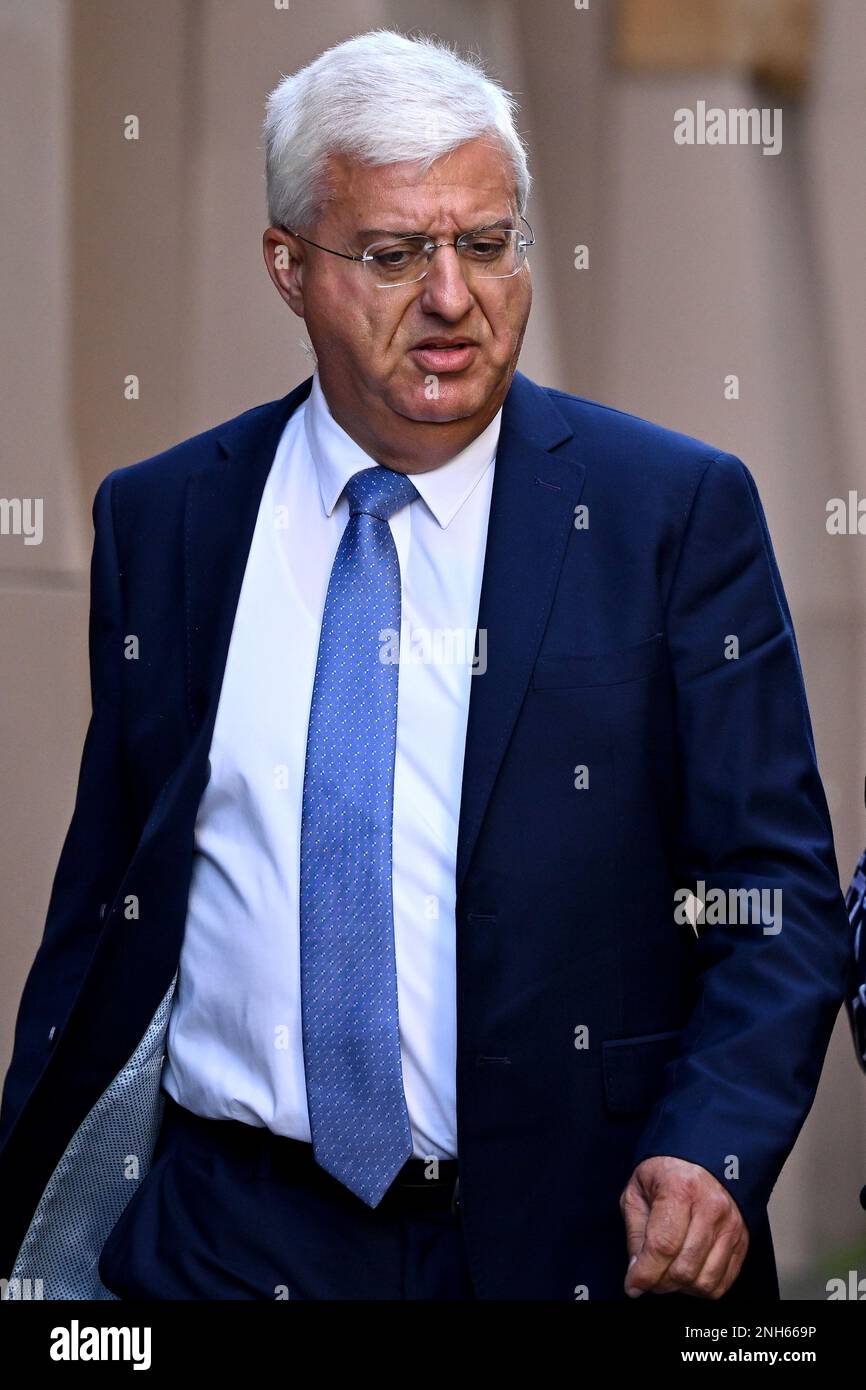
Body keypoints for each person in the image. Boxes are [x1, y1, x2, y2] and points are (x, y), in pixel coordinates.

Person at [0, 28, 853, 1302]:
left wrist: (711, 1146)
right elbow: (113, 895)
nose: (452, 296)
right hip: (223, 1239)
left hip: (564, 1242)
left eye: (488, 243)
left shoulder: (666, 515)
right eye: (394, 255)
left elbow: (771, 893)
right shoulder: (165, 521)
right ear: (289, 267)